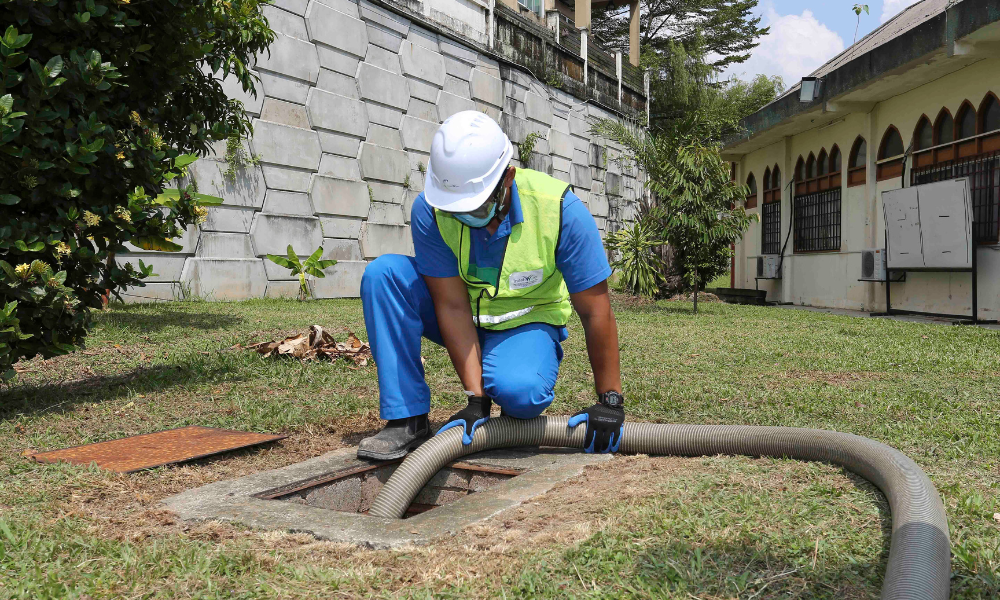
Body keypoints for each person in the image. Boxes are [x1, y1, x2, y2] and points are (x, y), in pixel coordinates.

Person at [357, 110, 625, 461]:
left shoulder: (560, 211)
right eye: (457, 208)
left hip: (524, 323)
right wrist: (476, 399)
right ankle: (407, 418)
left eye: (477, 204)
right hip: (461, 315)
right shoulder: (433, 209)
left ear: (508, 177)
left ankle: (513, 411)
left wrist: (610, 399)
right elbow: (451, 305)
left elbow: (596, 311)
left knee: (521, 392)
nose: (464, 215)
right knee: (384, 276)